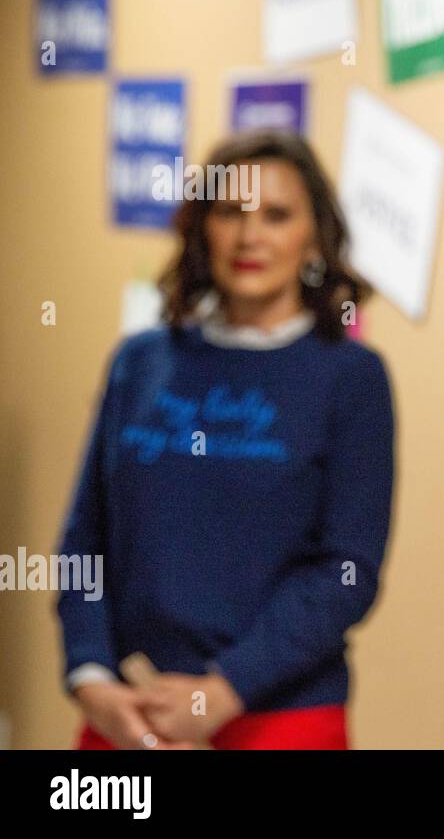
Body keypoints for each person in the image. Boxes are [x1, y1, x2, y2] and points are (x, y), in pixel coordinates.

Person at [56, 130, 394, 750]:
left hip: (279, 718)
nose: (249, 237)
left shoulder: (350, 377)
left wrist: (224, 691)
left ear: (313, 234)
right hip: (130, 715)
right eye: (229, 212)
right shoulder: (139, 362)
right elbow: (84, 540)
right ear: (200, 226)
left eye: (276, 215)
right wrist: (92, 679)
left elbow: (348, 571)